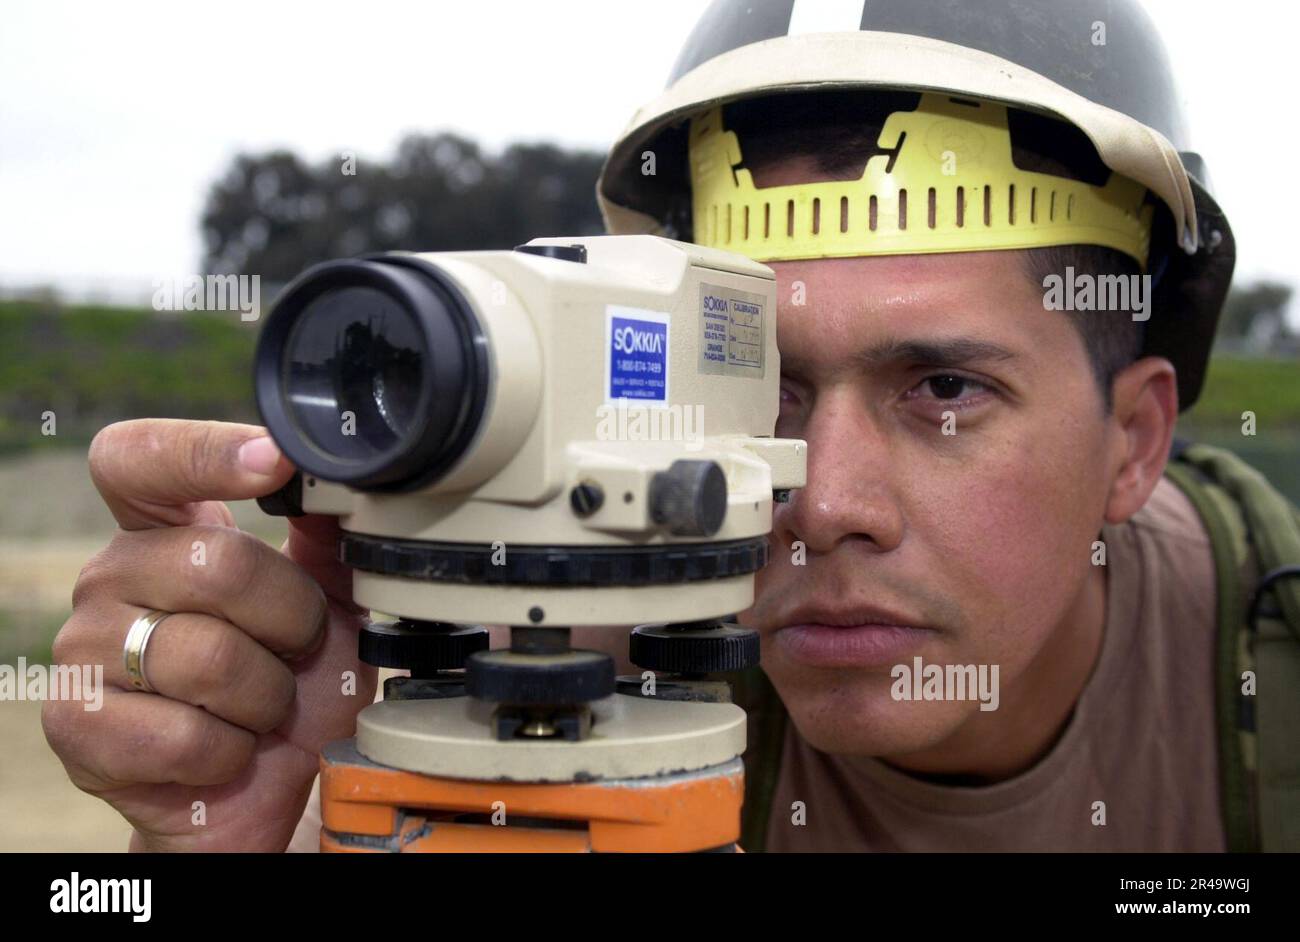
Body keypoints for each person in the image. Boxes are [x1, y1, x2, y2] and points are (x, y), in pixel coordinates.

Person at [44, 0, 1297, 852]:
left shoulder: (1266, 696)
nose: (822, 502)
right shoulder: (557, 698)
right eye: (760, 389)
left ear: (1133, 442)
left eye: (945, 392)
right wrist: (293, 817)